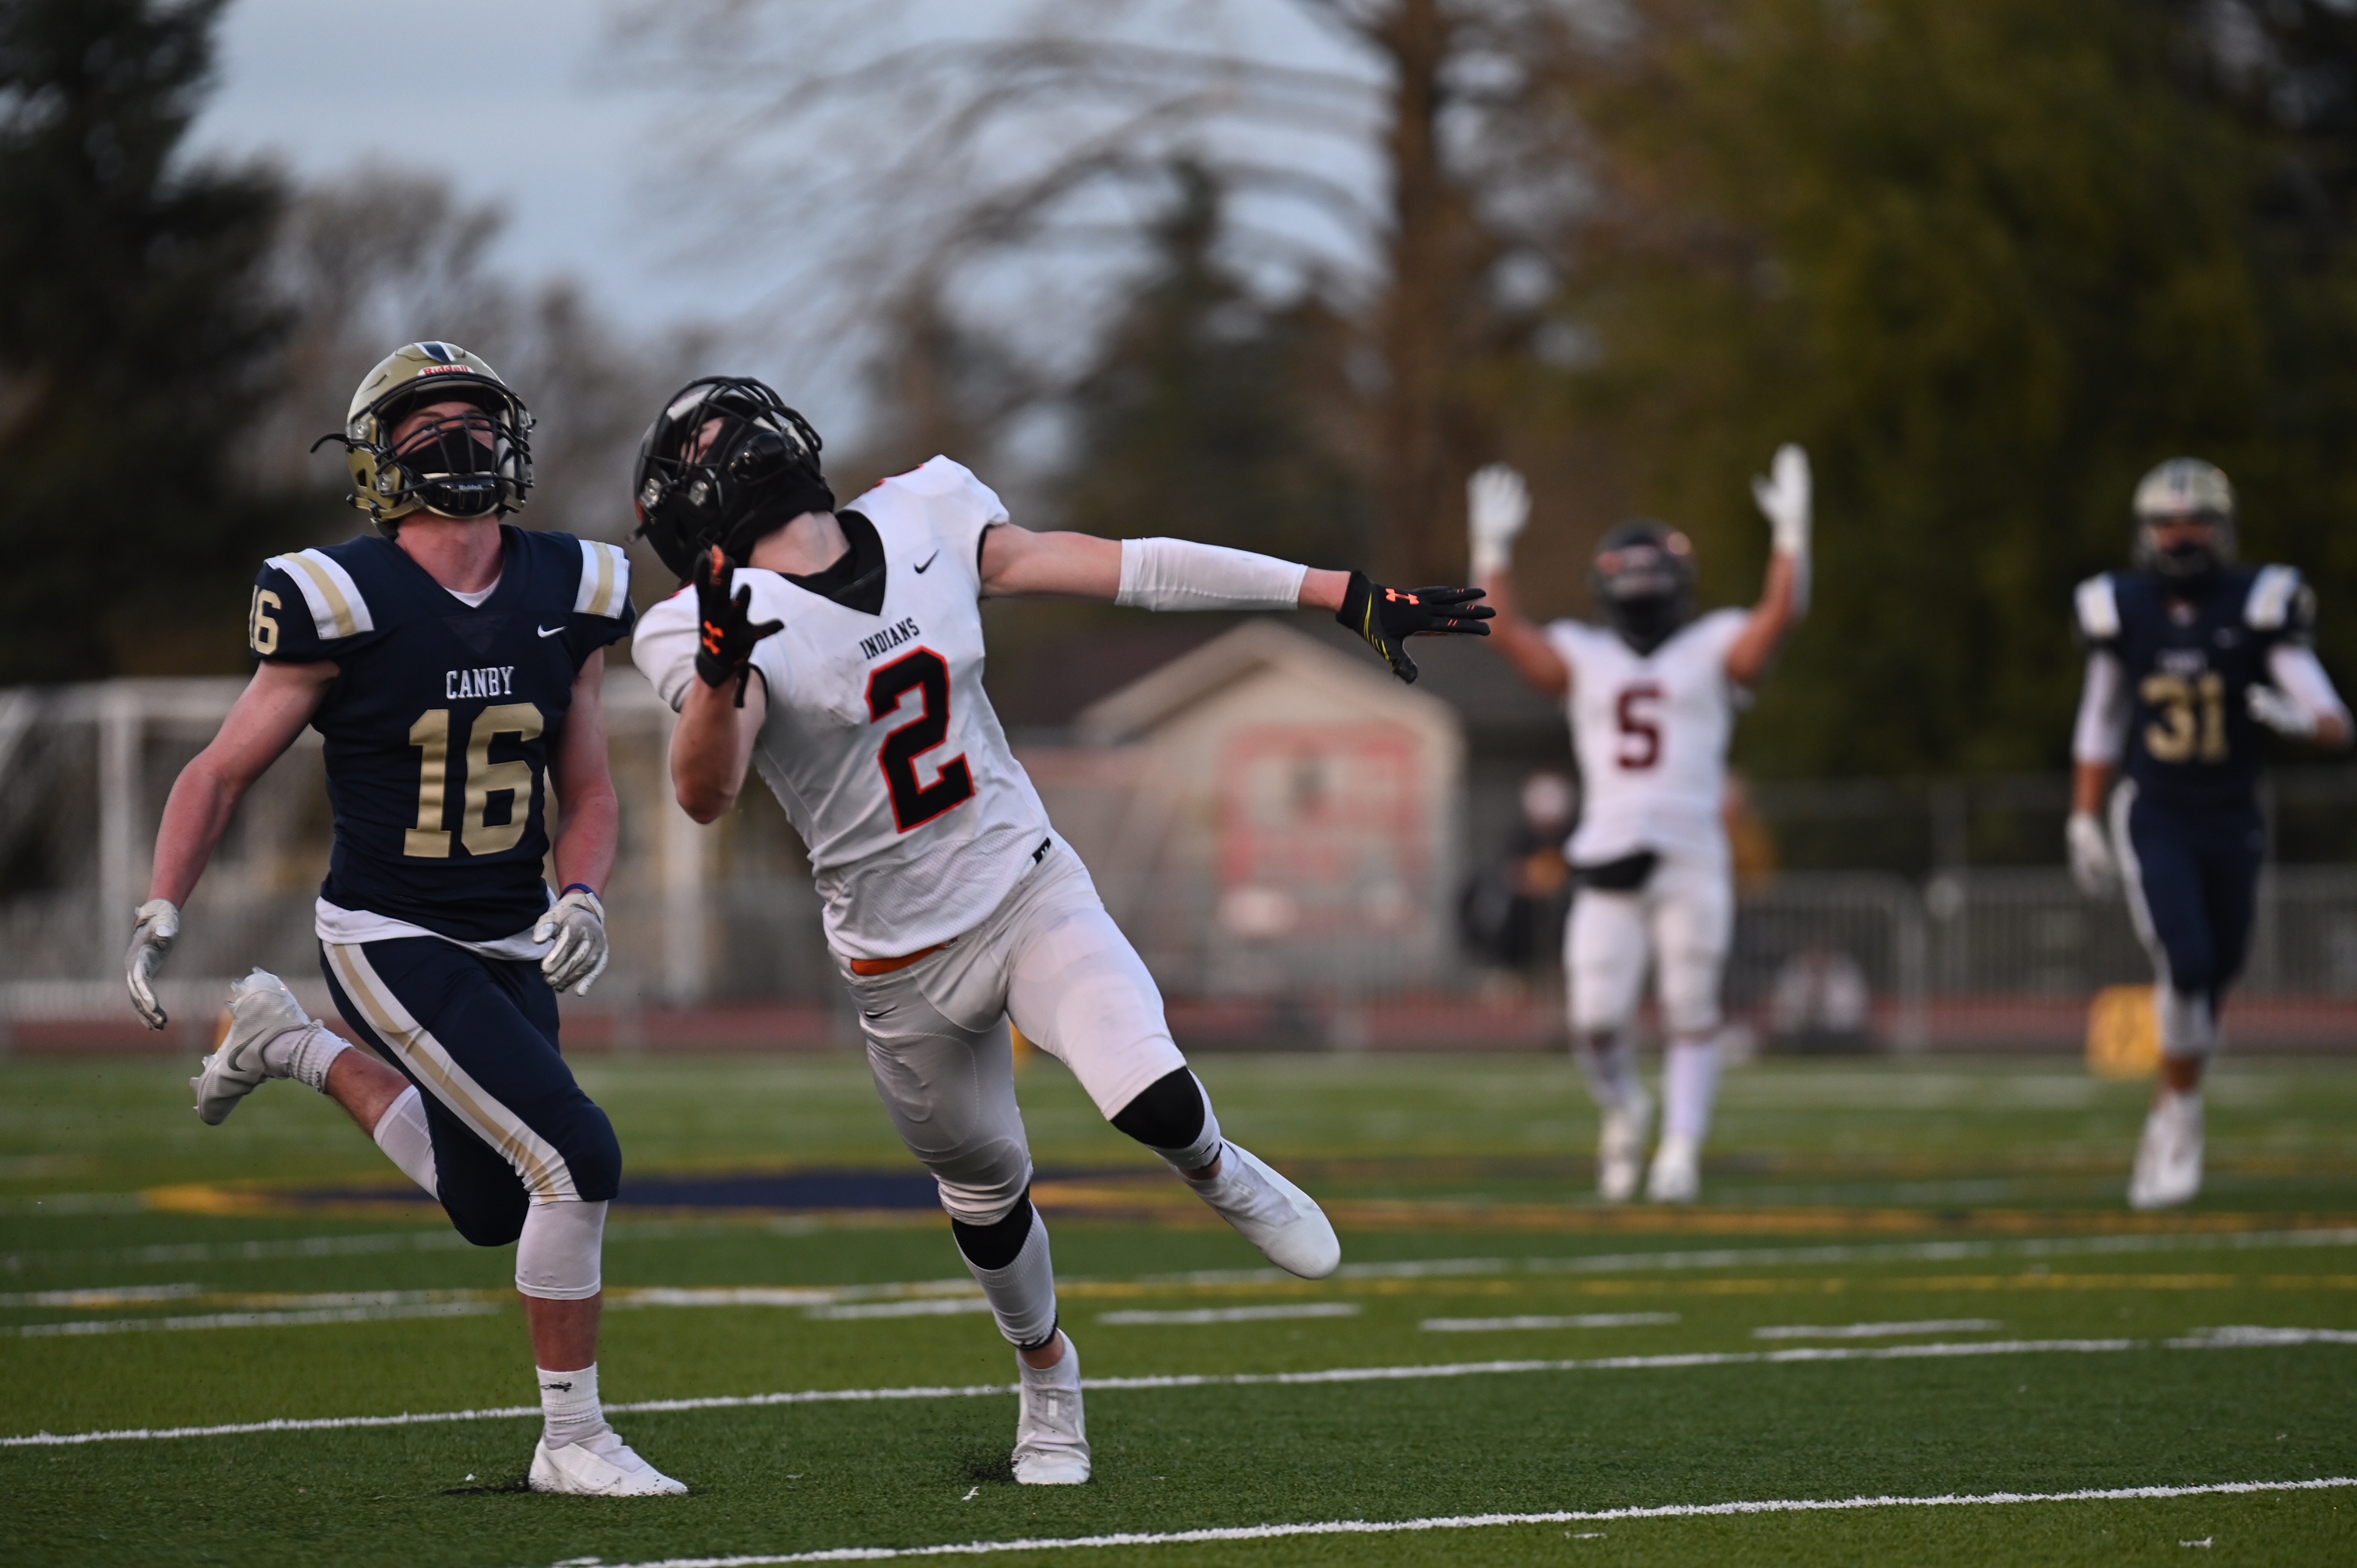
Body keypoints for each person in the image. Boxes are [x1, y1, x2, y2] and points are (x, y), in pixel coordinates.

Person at [627, 376, 1492, 1486]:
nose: (729, 439)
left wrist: (1335, 591)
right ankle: (1047, 1377)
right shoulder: (698, 624)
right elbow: (705, 792)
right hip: (899, 965)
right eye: (702, 438)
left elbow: (1130, 566)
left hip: (1028, 887)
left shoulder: (926, 509)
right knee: (985, 1194)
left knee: (1152, 1095)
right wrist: (715, 674)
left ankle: (1217, 1166)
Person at [121, 342, 680, 1496]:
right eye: (428, 423)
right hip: (387, 931)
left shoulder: (571, 584)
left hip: (510, 927)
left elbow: (587, 790)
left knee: (490, 1207)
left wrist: (581, 891)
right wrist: (162, 900)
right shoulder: (336, 597)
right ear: (380, 459)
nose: (459, 438)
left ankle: (288, 1045)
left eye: (477, 416)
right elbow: (220, 773)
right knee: (577, 1158)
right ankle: (572, 1441)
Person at [1468, 450, 1810, 1202]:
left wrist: (1793, 537)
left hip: (1691, 851)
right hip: (1609, 853)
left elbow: (1778, 618)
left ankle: (1681, 1150)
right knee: (1593, 1017)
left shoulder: (1713, 644)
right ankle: (1626, 1109)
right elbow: (1506, 631)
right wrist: (1489, 551)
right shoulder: (1585, 653)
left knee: (1692, 1008)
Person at [2065, 458, 2349, 1210]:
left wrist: (2306, 719)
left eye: (2194, 523)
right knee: (2186, 961)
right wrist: (2081, 816)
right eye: (2167, 523)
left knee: (2217, 973)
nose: (2181, 536)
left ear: (2221, 531)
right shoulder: (2120, 607)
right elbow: (2100, 719)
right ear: (2145, 533)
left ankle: (2169, 1101)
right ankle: (2182, 1120)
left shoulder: (2258, 603)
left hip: (2233, 816)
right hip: (2156, 810)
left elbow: (2330, 715)